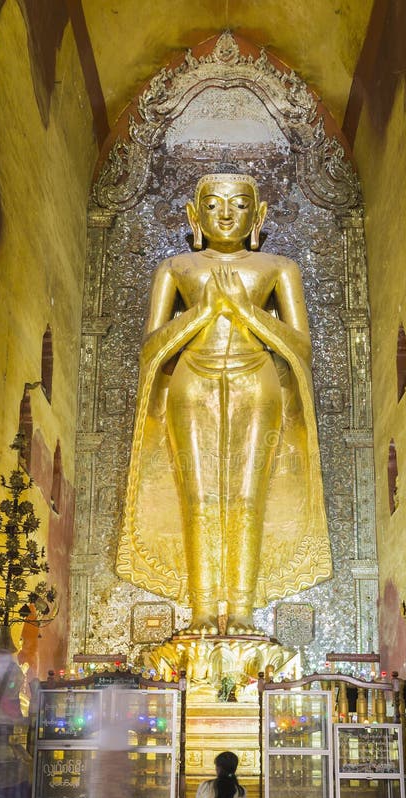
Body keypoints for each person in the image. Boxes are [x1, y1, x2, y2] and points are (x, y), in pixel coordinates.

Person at [117, 171, 331, 633]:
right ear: (196, 216)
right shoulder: (176, 269)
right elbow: (152, 349)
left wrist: (245, 309)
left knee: (249, 495)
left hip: (258, 381)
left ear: (259, 215)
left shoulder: (277, 268)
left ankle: (240, 610)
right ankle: (199, 612)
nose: (227, 213)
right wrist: (203, 311)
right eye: (213, 204)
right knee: (198, 495)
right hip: (192, 382)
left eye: (238, 204)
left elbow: (302, 347)